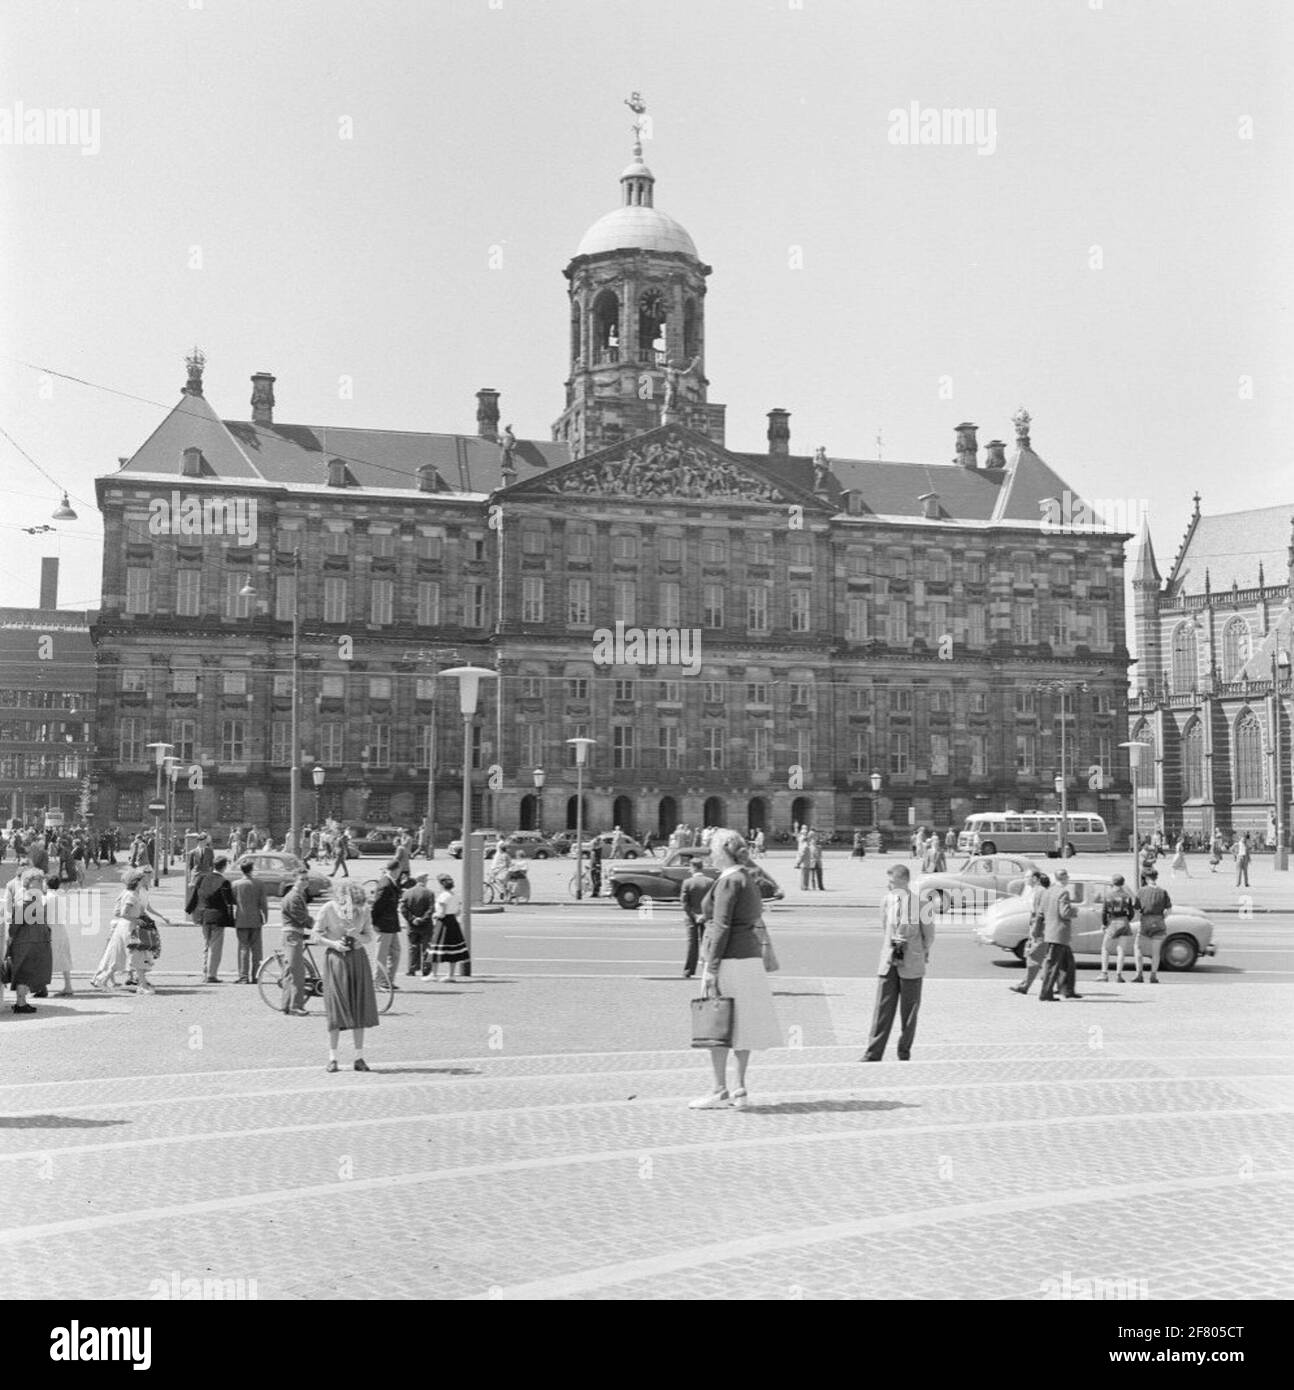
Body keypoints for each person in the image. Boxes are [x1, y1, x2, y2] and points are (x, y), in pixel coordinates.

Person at [691, 829, 780, 1109]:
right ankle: (740, 1087)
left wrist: (711, 968)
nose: (709, 854)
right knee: (743, 1024)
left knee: (717, 1023)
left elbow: (721, 926)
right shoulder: (749, 878)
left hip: (728, 960)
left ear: (721, 852)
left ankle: (719, 1089)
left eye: (711, 849)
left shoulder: (729, 881)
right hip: (750, 959)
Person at [862, 863, 934, 1060]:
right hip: (889, 962)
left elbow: (929, 936)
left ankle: (904, 1052)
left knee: (909, 1013)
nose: (889, 885)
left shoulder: (923, 905)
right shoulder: (886, 901)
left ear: (904, 882)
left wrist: (919, 951)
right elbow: (885, 928)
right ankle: (873, 1053)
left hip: (912, 963)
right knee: (882, 1009)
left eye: (893, 882)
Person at [310, 880, 378, 1072]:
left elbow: (369, 937)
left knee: (359, 1006)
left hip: (357, 959)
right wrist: (334, 944)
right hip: (337, 959)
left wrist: (357, 935)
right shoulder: (328, 908)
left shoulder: (363, 910)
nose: (354, 909)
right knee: (336, 1007)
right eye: (351, 905)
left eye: (357, 906)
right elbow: (315, 935)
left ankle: (359, 1057)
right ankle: (333, 1057)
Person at [4, 869, 51, 1013]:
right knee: (24, 971)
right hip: (27, 941)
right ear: (29, 882)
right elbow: (17, 921)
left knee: (26, 971)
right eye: (37, 881)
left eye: (41, 881)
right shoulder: (28, 897)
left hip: (30, 940)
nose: (40, 883)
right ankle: (21, 1003)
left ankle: (22, 1001)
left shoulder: (32, 896)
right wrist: (11, 936)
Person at [187, 856, 236, 982]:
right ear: (224, 866)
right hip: (217, 918)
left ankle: (204, 972)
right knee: (215, 947)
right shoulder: (224, 882)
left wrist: (189, 909)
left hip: (203, 916)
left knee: (206, 944)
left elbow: (195, 896)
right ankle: (211, 975)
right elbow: (229, 901)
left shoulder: (202, 878)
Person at [1038, 868, 1080, 1001]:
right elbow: (1064, 913)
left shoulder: (1048, 891)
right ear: (1064, 878)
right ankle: (1046, 993)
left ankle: (1067, 989)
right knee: (1054, 965)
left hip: (1051, 930)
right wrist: (1074, 910)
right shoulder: (1063, 892)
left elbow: (1041, 911)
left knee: (1068, 963)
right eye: (1067, 876)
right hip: (1059, 932)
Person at [1009, 869, 1050, 996]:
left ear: (1035, 878)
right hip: (1037, 926)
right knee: (1048, 958)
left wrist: (1035, 930)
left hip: (1040, 928)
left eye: (1027, 877)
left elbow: (1040, 913)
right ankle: (1056, 983)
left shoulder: (1040, 892)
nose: (1025, 879)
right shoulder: (1034, 891)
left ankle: (1025, 986)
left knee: (1034, 957)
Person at [231, 859, 269, 983]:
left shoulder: (235, 884)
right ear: (251, 869)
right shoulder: (259, 884)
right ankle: (257, 976)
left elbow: (232, 902)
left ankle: (243, 976)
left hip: (241, 919)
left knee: (243, 948)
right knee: (257, 949)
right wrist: (265, 916)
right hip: (255, 919)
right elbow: (263, 903)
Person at [279, 868, 312, 1014]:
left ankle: (285, 1004)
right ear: (295, 880)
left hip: (292, 934)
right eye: (302, 879)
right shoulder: (294, 897)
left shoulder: (298, 895)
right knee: (298, 971)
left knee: (289, 972)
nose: (305, 882)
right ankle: (296, 1006)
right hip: (292, 934)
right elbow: (301, 917)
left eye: (306, 879)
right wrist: (318, 925)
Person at [1132, 868, 1172, 985]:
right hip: (1159, 921)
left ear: (1145, 878)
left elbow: (1136, 910)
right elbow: (1169, 910)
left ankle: (1139, 974)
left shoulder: (1141, 891)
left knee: (1138, 947)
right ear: (1156, 878)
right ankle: (1153, 976)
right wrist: (1161, 917)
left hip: (1146, 921)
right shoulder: (1163, 892)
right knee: (1156, 951)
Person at [426, 874, 467, 981]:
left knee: (436, 948)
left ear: (441, 884)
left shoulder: (443, 896)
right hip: (453, 922)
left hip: (443, 923)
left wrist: (434, 915)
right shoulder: (456, 896)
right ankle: (451, 975)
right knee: (453, 949)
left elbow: (442, 913)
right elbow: (458, 912)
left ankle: (433, 974)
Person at [371, 859, 403, 986]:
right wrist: (375, 923)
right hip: (384, 925)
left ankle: (387, 980)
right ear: (397, 869)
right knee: (382, 954)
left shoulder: (390, 882)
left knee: (395, 952)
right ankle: (379, 981)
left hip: (391, 924)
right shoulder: (385, 884)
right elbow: (377, 906)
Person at [1099, 874, 1136, 983]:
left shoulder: (1108, 895)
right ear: (1122, 883)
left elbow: (1104, 911)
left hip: (1112, 922)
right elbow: (1131, 912)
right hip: (1123, 921)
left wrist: (1104, 924)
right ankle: (1119, 975)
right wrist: (1126, 919)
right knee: (1121, 950)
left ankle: (1104, 973)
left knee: (1105, 947)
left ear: (1113, 883)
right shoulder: (1126, 896)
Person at [44, 872, 76, 997]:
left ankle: (42, 987)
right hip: (61, 928)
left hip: (50, 929)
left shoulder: (47, 898)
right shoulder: (61, 896)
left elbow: (43, 915)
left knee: (45, 958)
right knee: (64, 957)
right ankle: (68, 985)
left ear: (46, 884)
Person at [400, 873, 436, 977]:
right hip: (426, 925)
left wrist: (412, 919)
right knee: (426, 947)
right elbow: (431, 909)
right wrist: (422, 919)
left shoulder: (407, 893)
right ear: (424, 880)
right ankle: (426, 969)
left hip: (412, 926)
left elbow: (403, 908)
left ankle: (412, 968)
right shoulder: (429, 893)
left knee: (413, 946)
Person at [680, 863, 711, 980]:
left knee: (692, 944)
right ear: (702, 867)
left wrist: (694, 915)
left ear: (693, 868)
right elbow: (713, 900)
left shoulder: (687, 882)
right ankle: (707, 969)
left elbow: (684, 903)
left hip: (691, 917)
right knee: (706, 944)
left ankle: (689, 970)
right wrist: (704, 915)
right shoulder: (710, 882)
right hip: (706, 917)